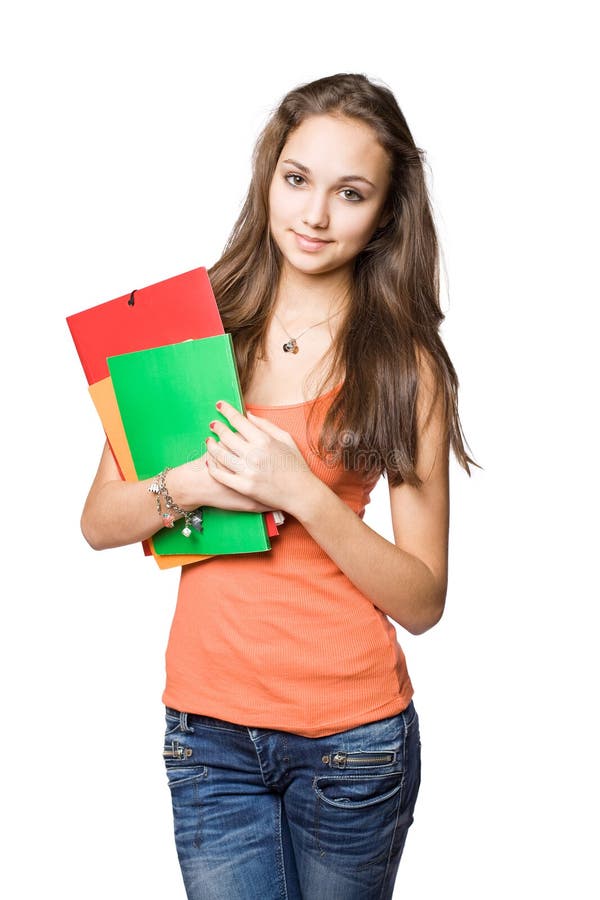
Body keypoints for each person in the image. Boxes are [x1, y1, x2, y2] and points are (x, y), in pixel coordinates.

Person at [81, 72, 476, 900]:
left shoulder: (405, 368)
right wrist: (195, 482)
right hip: (207, 732)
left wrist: (300, 490)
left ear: (386, 216)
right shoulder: (193, 325)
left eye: (351, 192)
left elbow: (425, 599)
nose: (315, 215)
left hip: (352, 740)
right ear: (270, 176)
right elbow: (99, 520)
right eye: (297, 180)